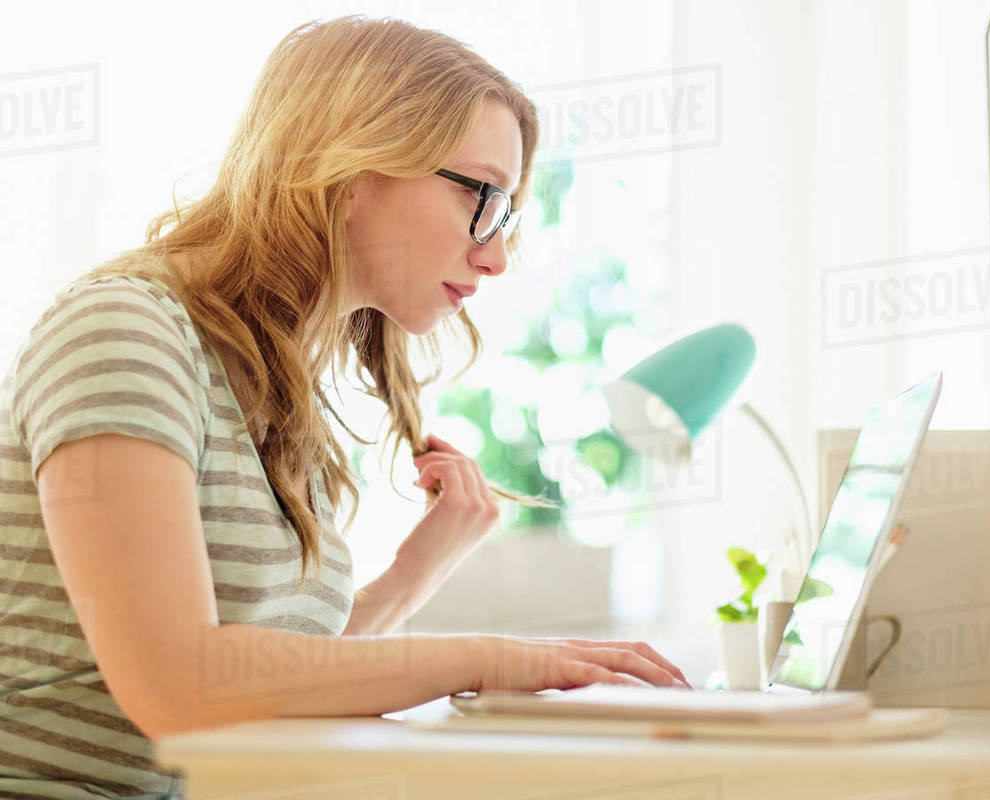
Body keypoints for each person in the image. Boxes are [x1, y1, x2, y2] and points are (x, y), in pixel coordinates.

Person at [0, 15, 690, 799]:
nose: (496, 256)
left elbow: (266, 684)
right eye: (484, 197)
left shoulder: (271, 387)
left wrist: (413, 574)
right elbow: (178, 687)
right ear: (355, 162)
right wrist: (489, 657)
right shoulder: (125, 330)